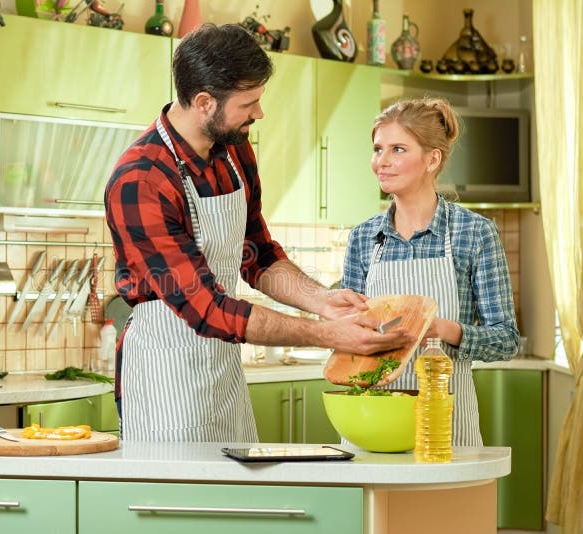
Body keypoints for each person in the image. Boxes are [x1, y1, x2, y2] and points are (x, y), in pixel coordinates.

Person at [104, 23, 409, 443]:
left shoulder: (235, 149)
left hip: (224, 367)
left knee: (239, 503)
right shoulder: (141, 179)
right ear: (205, 102)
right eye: (249, 103)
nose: (258, 114)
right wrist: (325, 335)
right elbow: (207, 310)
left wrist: (322, 301)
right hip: (164, 375)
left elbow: (258, 255)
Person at [342, 97, 520, 446]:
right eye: (378, 149)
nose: (382, 161)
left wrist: (443, 330)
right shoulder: (364, 237)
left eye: (397, 149)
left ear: (432, 158)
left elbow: (506, 341)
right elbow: (349, 337)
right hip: (373, 420)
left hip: (445, 425)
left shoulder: (474, 233)